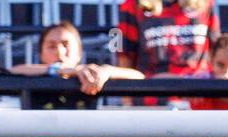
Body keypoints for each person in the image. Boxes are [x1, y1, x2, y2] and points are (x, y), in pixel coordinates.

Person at [11, 20, 144, 110]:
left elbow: (139, 76)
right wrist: (60, 70)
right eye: (51, 46)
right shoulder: (32, 74)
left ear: (79, 52)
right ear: (41, 54)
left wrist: (106, 71)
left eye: (66, 44)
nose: (60, 51)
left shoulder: (92, 75)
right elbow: (11, 71)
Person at [116, 0, 220, 86]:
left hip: (199, 95)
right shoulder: (132, 5)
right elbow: (124, 58)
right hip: (152, 95)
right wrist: (127, 101)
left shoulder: (205, 3)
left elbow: (216, 51)